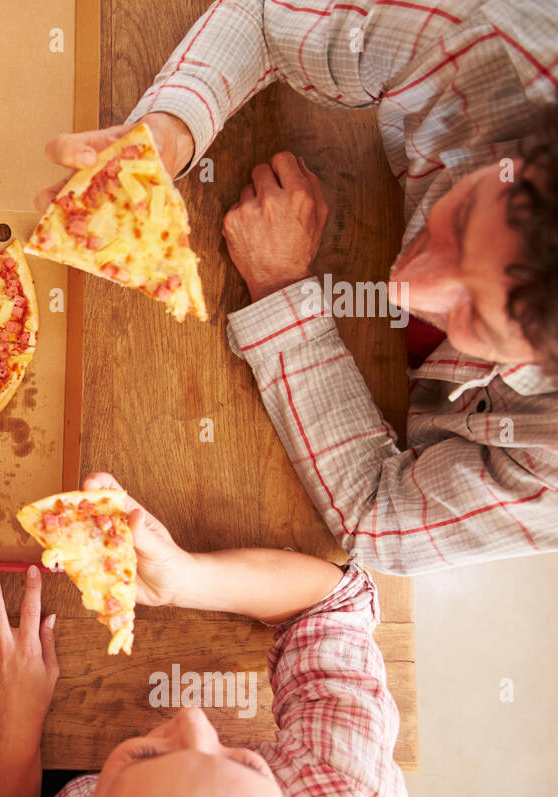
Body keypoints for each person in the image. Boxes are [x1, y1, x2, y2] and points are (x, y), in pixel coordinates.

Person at [41, 0, 558, 575]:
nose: (406, 287)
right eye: (463, 221)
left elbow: (377, 520)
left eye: (476, 318)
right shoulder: (501, 37)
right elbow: (263, 16)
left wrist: (282, 286)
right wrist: (169, 137)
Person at [0, 473, 408, 797]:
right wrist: (185, 578)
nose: (192, 717)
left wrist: (14, 732)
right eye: (245, 764)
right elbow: (333, 604)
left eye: (144, 757)